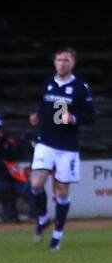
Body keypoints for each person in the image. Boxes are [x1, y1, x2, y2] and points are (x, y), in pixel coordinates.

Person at [28, 47, 95, 250]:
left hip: (67, 146)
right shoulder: (48, 82)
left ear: (73, 63)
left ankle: (57, 234)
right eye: (59, 60)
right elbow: (43, 105)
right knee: (36, 183)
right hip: (45, 142)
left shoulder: (80, 87)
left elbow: (91, 116)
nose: (62, 63)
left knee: (62, 192)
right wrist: (37, 116)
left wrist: (73, 118)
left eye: (66, 60)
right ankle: (42, 217)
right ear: (54, 62)